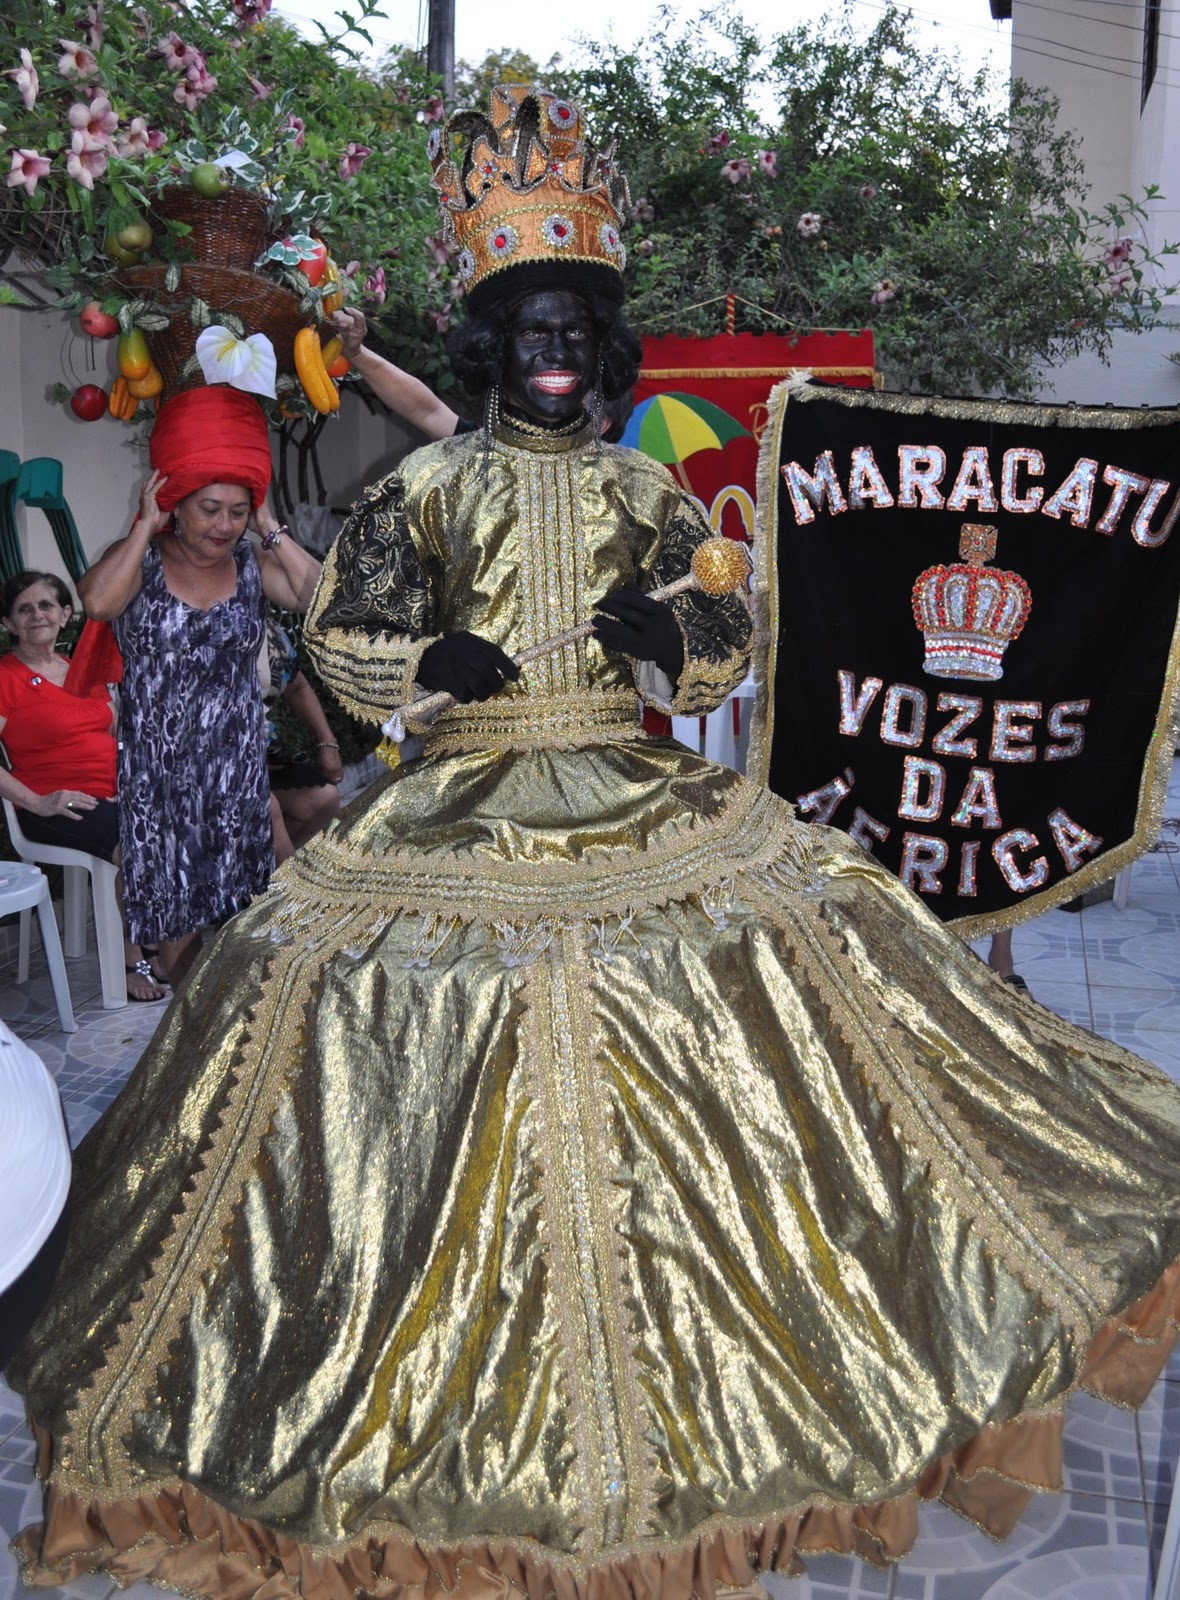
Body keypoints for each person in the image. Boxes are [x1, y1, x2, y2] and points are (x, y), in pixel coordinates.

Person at [9, 87, 1180, 1600]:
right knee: (352, 989)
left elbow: (721, 628)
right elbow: (350, 629)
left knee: (798, 939)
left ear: (600, 346)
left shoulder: (642, 484)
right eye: (530, 322)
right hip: (458, 801)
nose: (555, 345)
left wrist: (671, 628)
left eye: (577, 322)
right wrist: (427, 672)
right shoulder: (420, 486)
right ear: (494, 344)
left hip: (627, 792)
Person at [77, 386, 322, 987]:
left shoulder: (249, 563)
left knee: (259, 933)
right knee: (180, 950)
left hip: (236, 777)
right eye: (209, 508)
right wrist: (143, 527)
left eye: (237, 510)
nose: (223, 524)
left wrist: (270, 527)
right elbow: (96, 602)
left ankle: (247, 1048)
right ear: (177, 504)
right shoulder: (143, 562)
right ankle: (192, 1050)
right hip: (161, 785)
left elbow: (319, 595)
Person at [0, 570, 167, 1001]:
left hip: (115, 793)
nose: (37, 614)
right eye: (24, 609)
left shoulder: (84, 672)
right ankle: (134, 960)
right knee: (138, 844)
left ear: (65, 614)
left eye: (46, 605)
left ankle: (165, 937)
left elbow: (114, 738)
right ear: (8, 624)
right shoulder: (6, 677)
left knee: (185, 823)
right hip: (58, 805)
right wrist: (36, 802)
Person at [259, 609, 342, 864]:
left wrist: (328, 744)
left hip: (259, 747)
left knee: (323, 801)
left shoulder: (261, 624)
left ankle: (258, 875)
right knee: (267, 808)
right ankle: (287, 896)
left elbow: (297, 685)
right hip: (205, 758)